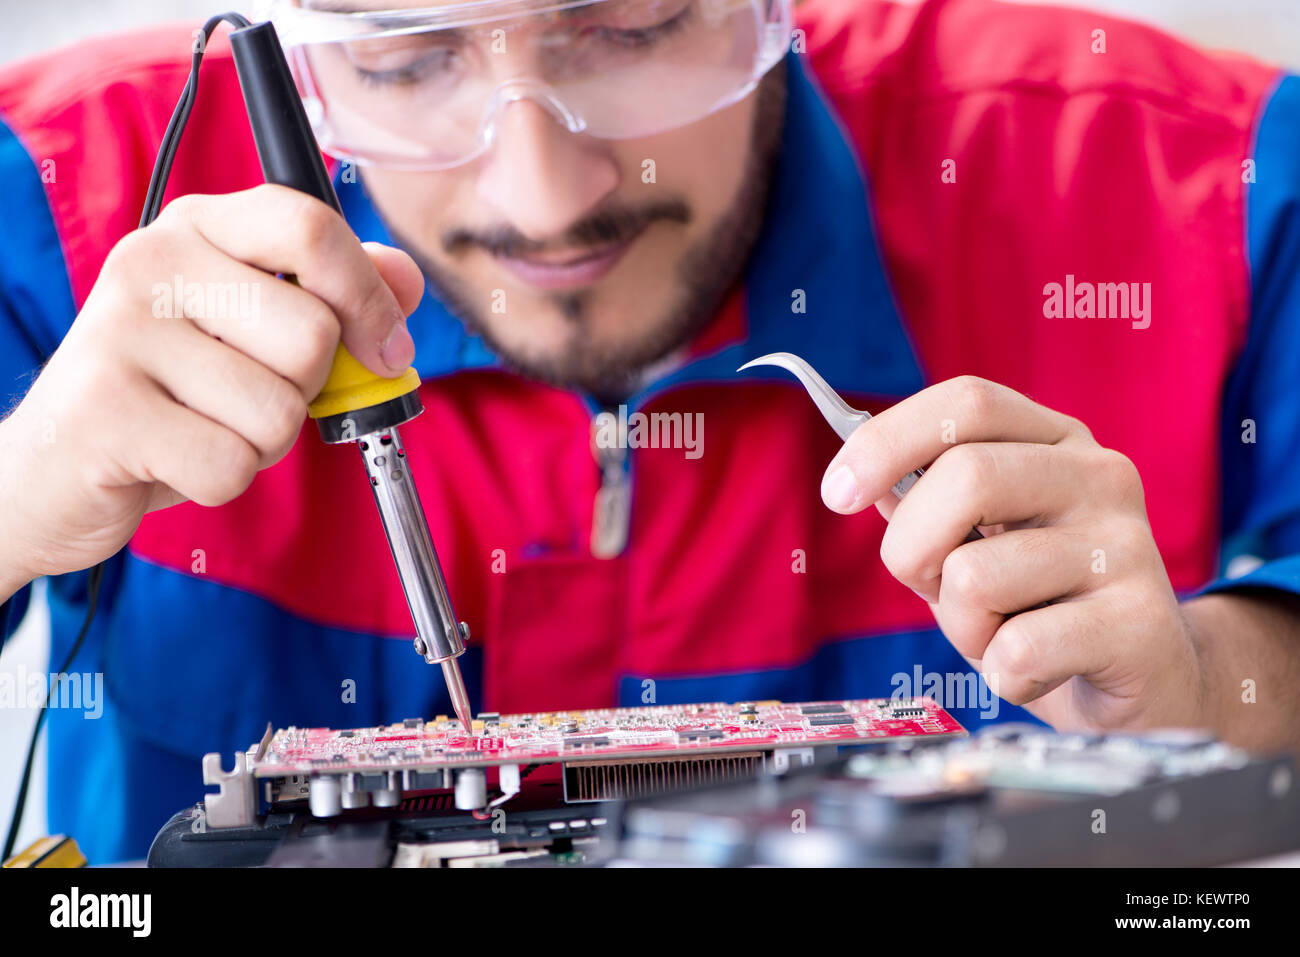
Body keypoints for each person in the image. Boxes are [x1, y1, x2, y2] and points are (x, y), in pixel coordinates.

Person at [1, 0, 1299, 864]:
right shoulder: (54, 189)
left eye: (628, 28)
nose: (541, 199)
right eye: (408, 57)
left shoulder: (1204, 177)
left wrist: (1190, 683)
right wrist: (21, 492)